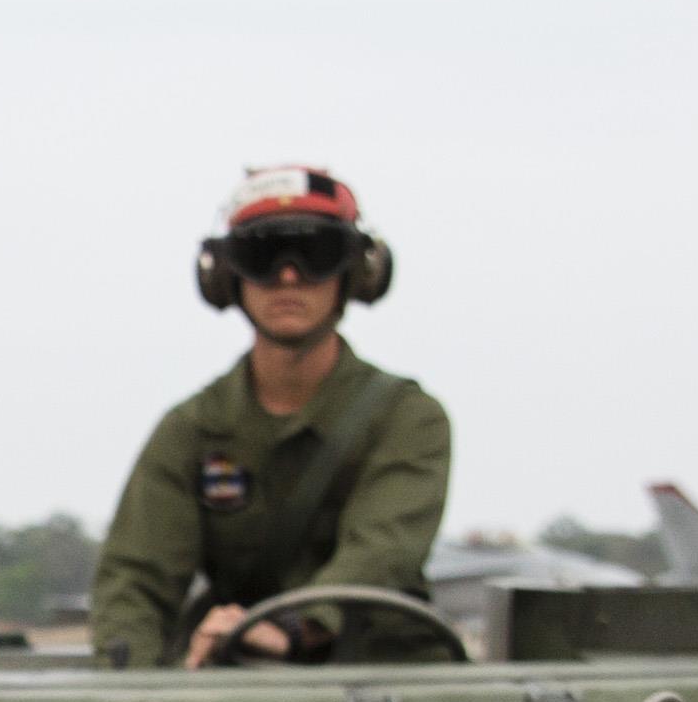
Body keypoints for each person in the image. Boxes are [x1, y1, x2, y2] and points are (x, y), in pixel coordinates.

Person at [84, 164, 456, 669]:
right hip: (238, 672)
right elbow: (135, 578)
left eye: (315, 254)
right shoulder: (193, 430)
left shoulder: (406, 418)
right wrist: (136, 687)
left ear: (356, 271)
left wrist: (293, 628)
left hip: (386, 675)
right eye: (262, 255)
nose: (288, 276)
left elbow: (382, 553)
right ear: (226, 276)